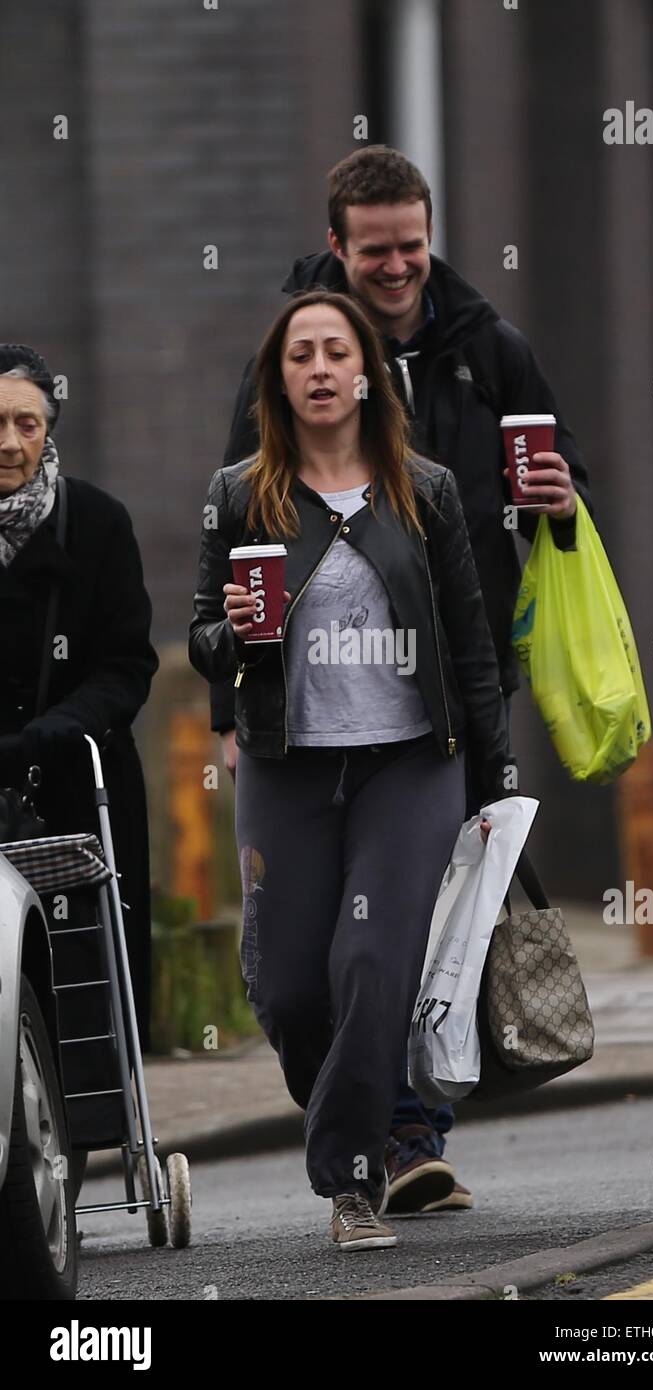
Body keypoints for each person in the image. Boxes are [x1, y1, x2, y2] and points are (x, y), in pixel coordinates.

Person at [210, 145, 592, 1213]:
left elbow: (566, 471)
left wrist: (561, 492)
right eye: (373, 251)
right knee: (307, 958)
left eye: (411, 248)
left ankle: (402, 1135)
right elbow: (232, 543)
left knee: (409, 924)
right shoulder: (286, 364)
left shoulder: (486, 350)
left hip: (451, 676)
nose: (395, 269)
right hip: (307, 694)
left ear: (431, 238)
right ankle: (364, 1113)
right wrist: (227, 708)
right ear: (336, 248)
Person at [189, 289, 512, 1250]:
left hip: (408, 765)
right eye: (301, 356)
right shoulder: (240, 493)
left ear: (367, 371)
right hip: (288, 767)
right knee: (289, 990)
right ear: (276, 380)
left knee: (370, 964)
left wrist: (493, 779)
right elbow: (204, 638)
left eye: (338, 351)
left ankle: (353, 1181)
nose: (321, 368)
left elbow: (471, 645)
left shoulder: (428, 490)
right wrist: (235, 637)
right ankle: (369, 1125)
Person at [0, 344, 158, 1195]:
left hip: (75, 782)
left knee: (82, 963)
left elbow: (128, 663)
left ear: (49, 429)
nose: (10, 440)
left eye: (27, 422)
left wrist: (59, 729)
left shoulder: (97, 523)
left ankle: (81, 1138)